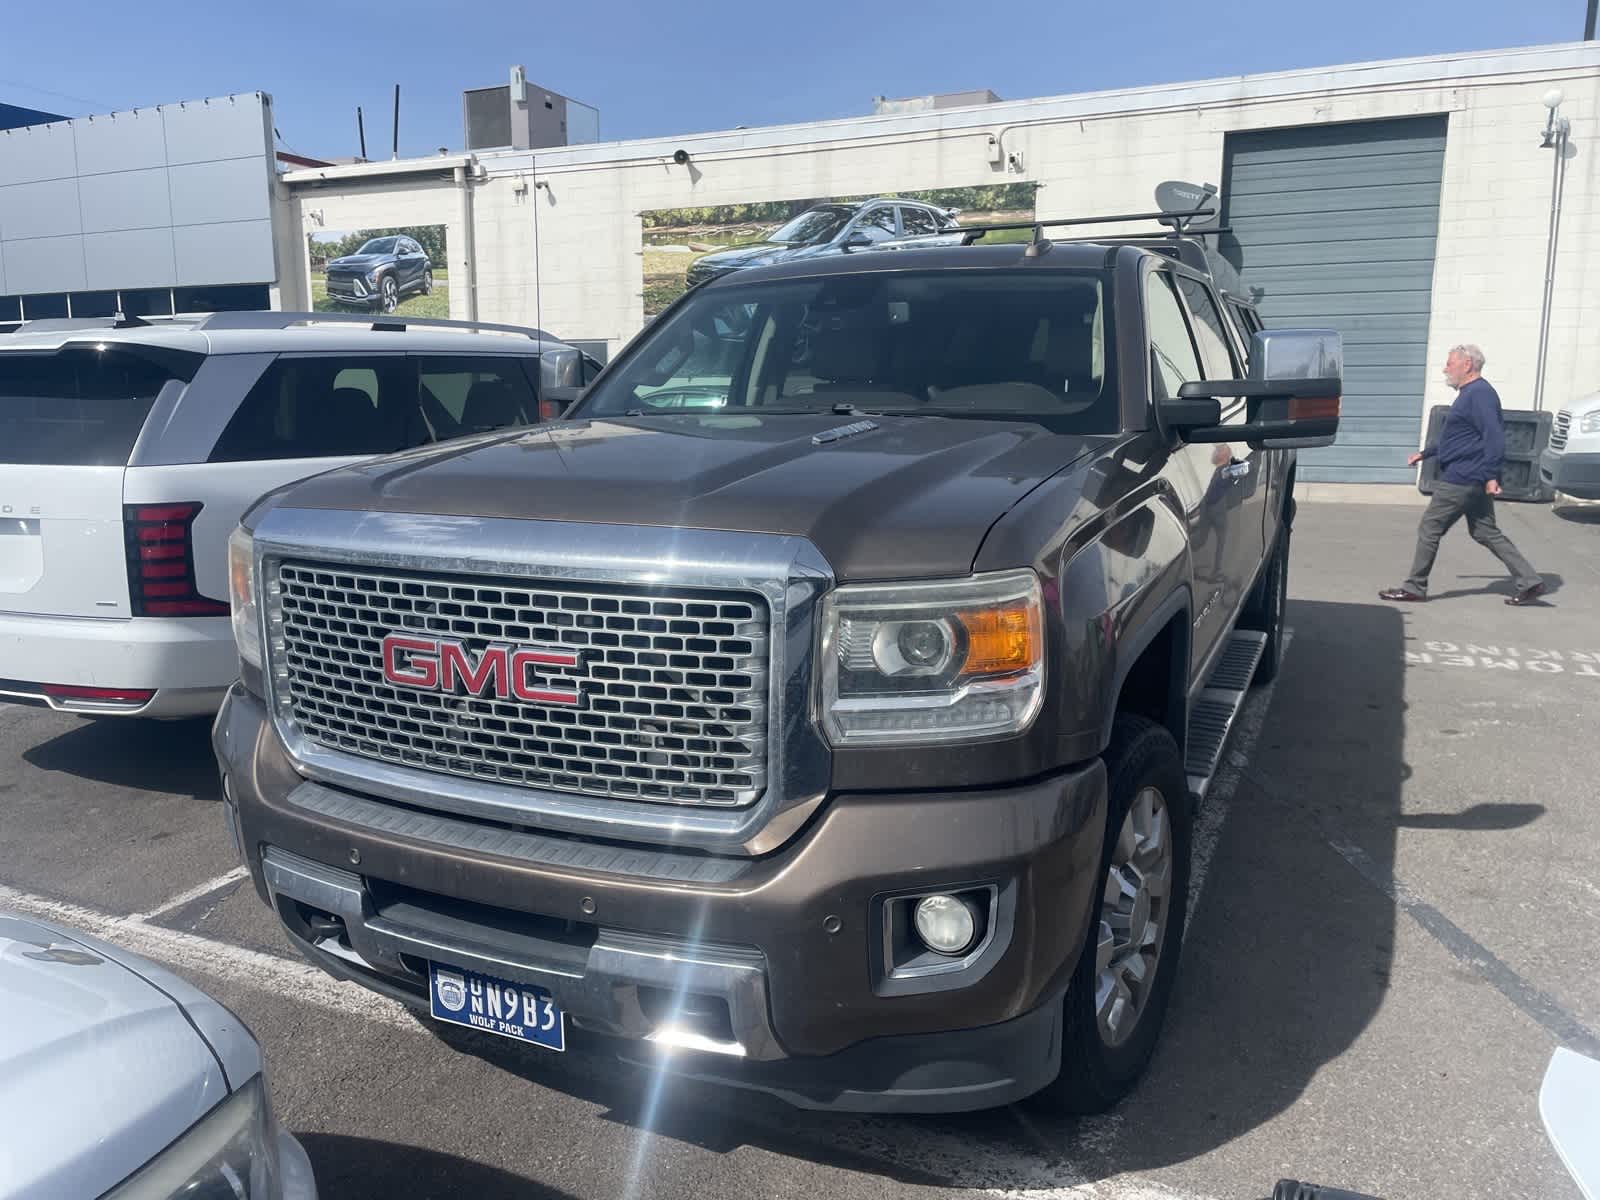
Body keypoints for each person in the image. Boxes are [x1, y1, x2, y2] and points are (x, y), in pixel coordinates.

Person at [1380, 344, 1545, 606]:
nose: (1446, 368)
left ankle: (1414, 587)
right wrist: (1426, 453)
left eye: (1450, 363)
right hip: (1473, 475)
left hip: (1463, 477)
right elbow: (1460, 438)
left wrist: (1492, 475)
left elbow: (1494, 436)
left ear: (1467, 365)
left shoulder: (1479, 394)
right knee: (1485, 531)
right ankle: (1530, 580)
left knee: (1430, 527)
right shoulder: (1471, 394)